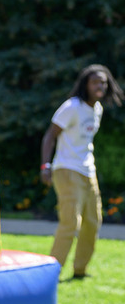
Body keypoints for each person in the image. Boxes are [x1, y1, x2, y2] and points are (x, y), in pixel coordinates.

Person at [39, 63, 124, 279]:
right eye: (95, 82)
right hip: (66, 169)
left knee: (93, 221)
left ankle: (80, 270)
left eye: (103, 82)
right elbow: (50, 135)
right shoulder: (71, 107)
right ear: (85, 84)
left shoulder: (97, 109)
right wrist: (45, 165)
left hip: (88, 171)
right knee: (70, 222)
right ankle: (51, 273)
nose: (100, 86)